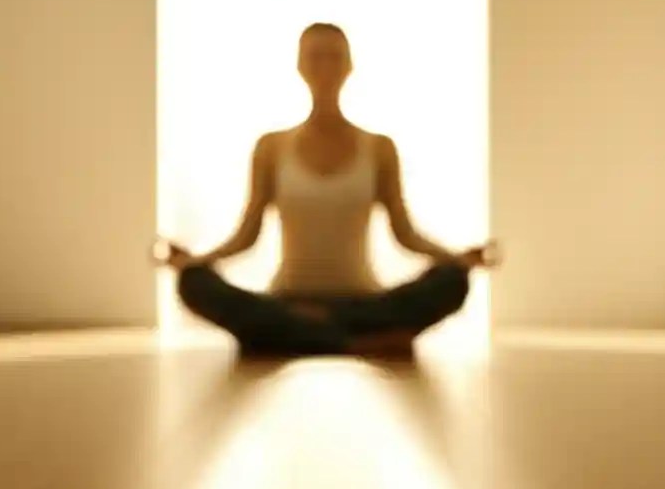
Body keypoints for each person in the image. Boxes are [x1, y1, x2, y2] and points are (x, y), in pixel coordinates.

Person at [153, 23, 500, 357]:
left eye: (334, 56)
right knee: (194, 282)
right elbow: (246, 235)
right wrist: (195, 262)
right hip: (288, 301)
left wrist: (458, 260)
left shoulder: (379, 147)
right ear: (300, 66)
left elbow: (405, 234)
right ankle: (349, 341)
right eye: (315, 56)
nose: (325, 66)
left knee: (452, 280)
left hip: (364, 304)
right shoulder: (271, 147)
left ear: (349, 66)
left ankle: (305, 336)